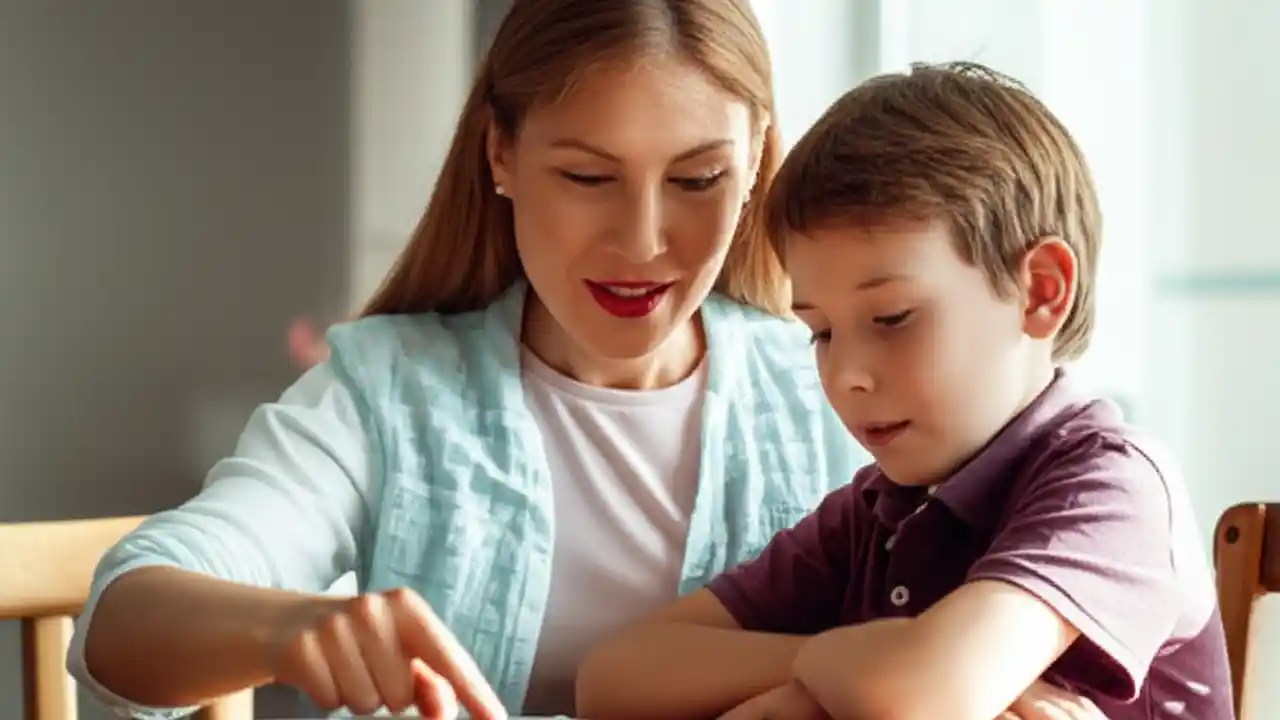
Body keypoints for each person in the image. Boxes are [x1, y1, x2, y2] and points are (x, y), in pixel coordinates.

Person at [65, 1, 871, 718]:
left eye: (699, 179)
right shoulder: (390, 391)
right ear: (501, 154)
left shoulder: (834, 387)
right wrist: (293, 627)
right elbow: (121, 625)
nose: (643, 240)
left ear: (757, 161)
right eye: (588, 176)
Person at [577, 62, 1234, 720]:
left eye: (892, 319)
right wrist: (832, 661)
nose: (845, 376)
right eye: (822, 333)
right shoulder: (879, 511)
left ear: (1040, 290)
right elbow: (613, 679)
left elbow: (915, 698)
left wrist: (848, 677)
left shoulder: (1113, 485)